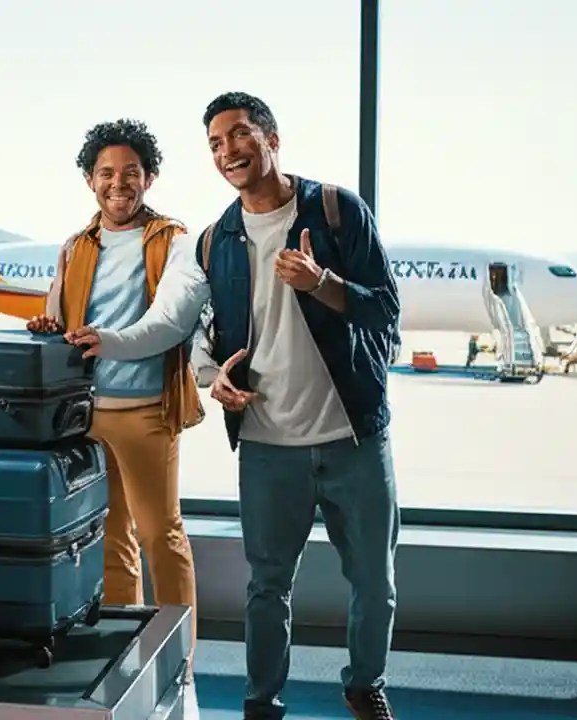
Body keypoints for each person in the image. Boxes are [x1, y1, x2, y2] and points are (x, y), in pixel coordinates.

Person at [66, 92, 403, 720]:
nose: (228, 151)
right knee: (267, 590)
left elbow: (385, 309)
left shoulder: (336, 211)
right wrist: (201, 373)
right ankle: (261, 701)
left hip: (352, 437)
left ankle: (364, 684)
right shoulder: (213, 241)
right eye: (216, 144)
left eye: (239, 134)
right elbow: (175, 326)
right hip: (268, 441)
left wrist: (320, 283)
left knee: (375, 585)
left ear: (271, 138)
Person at [26, 119, 203, 711]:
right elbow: (59, 312)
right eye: (106, 173)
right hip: (86, 415)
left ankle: (181, 662)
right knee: (109, 543)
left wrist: (111, 341)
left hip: (147, 411)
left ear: (149, 178)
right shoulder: (76, 246)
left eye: (131, 173)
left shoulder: (174, 240)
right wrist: (49, 323)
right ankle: (126, 655)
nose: (118, 183)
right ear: (89, 180)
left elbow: (172, 321)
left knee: (162, 537)